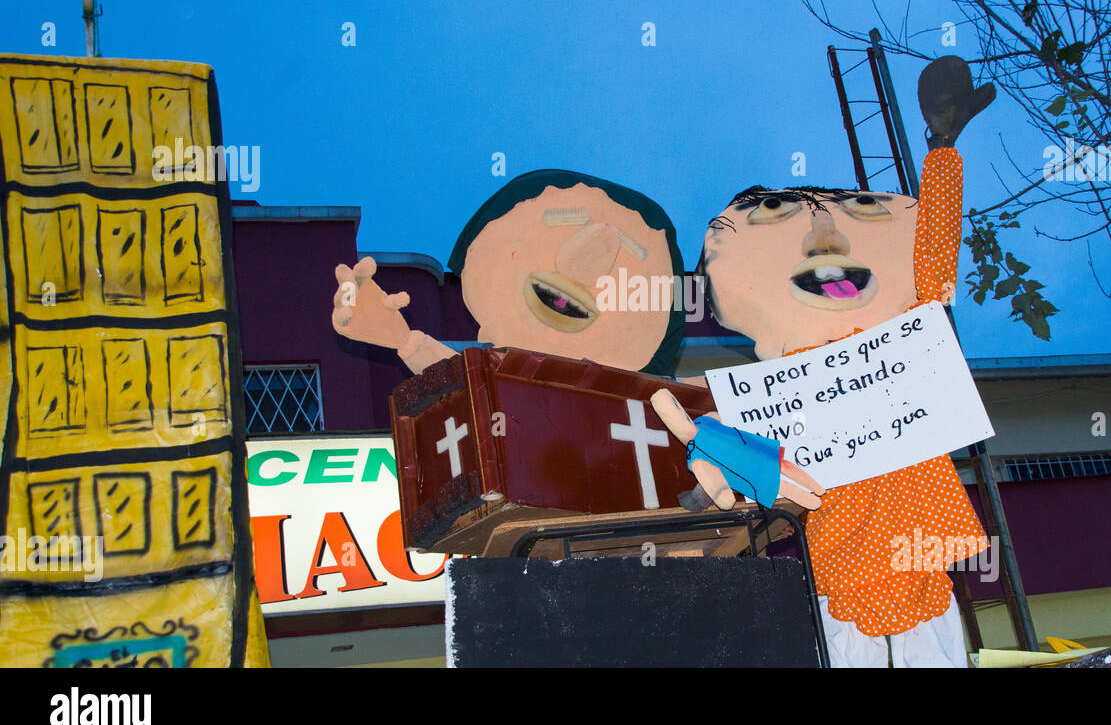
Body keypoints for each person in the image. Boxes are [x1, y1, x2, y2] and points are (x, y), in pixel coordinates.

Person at [696, 56, 994, 667]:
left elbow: (935, 263)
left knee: (933, 651)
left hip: (917, 536)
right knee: (852, 650)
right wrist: (717, 476)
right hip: (841, 541)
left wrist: (941, 151)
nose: (825, 240)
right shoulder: (785, 381)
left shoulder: (902, 340)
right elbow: (760, 450)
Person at [331, 169, 687, 376]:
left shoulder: (660, 399)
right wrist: (403, 340)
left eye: (629, 253)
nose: (585, 266)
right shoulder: (505, 384)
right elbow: (468, 390)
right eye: (559, 223)